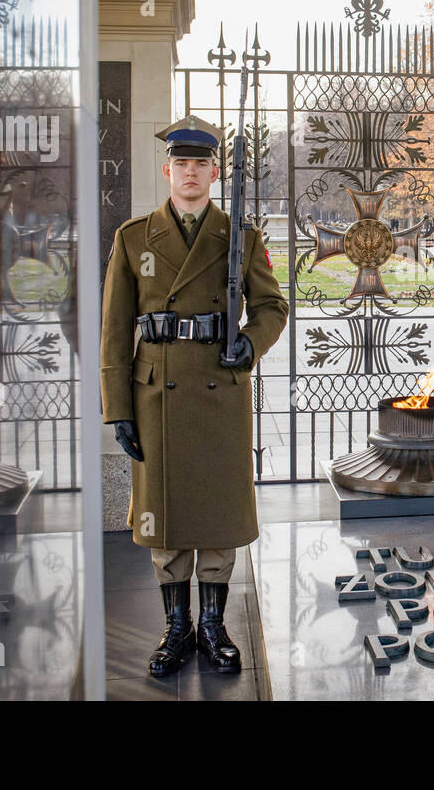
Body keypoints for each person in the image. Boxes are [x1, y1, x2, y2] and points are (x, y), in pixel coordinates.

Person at [100, 115, 288, 677]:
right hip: (158, 393)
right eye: (181, 164)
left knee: (218, 513)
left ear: (212, 172)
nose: (190, 173)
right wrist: (118, 408)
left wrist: (249, 346)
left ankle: (213, 625)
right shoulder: (134, 238)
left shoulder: (241, 238)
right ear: (168, 171)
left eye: (200, 165)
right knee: (166, 512)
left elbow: (272, 307)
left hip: (218, 389)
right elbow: (114, 329)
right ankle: (176, 628)